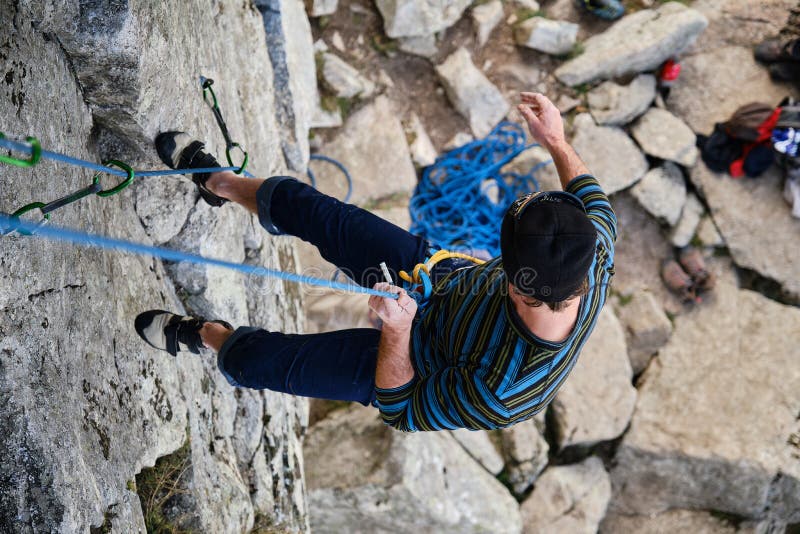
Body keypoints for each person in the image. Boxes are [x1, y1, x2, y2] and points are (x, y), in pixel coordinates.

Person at [134, 93, 617, 432]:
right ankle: (219, 183)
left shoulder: (504, 392)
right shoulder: (591, 248)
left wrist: (398, 331)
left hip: (415, 358)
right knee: (310, 209)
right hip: (435, 276)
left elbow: (401, 409)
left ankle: (204, 334)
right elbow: (590, 194)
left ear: (517, 284)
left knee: (261, 363)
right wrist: (555, 139)